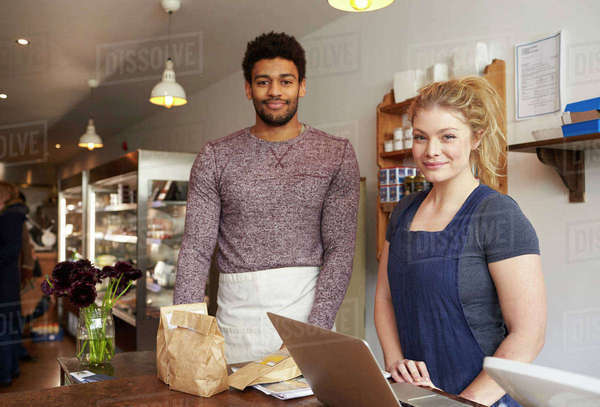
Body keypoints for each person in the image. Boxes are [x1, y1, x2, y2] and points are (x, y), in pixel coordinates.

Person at [174, 32, 360, 363]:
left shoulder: (337, 154)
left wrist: (313, 331)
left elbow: (340, 251)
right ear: (248, 88)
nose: (274, 91)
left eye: (286, 81)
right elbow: (196, 250)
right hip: (236, 321)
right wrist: (188, 331)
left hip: (308, 314)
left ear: (302, 85)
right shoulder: (216, 156)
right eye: (263, 82)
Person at [375, 77, 546, 407]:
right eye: (421, 138)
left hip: (483, 399)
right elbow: (383, 297)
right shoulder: (404, 211)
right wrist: (395, 364)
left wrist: (463, 404)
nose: (431, 151)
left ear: (476, 138)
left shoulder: (498, 216)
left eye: (447, 137)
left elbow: (529, 335)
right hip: (417, 397)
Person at [0, 181, 28, 386]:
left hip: (4, 282)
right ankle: (11, 369)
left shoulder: (10, 216)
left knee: (4, 329)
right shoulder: (13, 215)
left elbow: (10, 251)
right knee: (8, 327)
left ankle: (5, 373)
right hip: (7, 282)